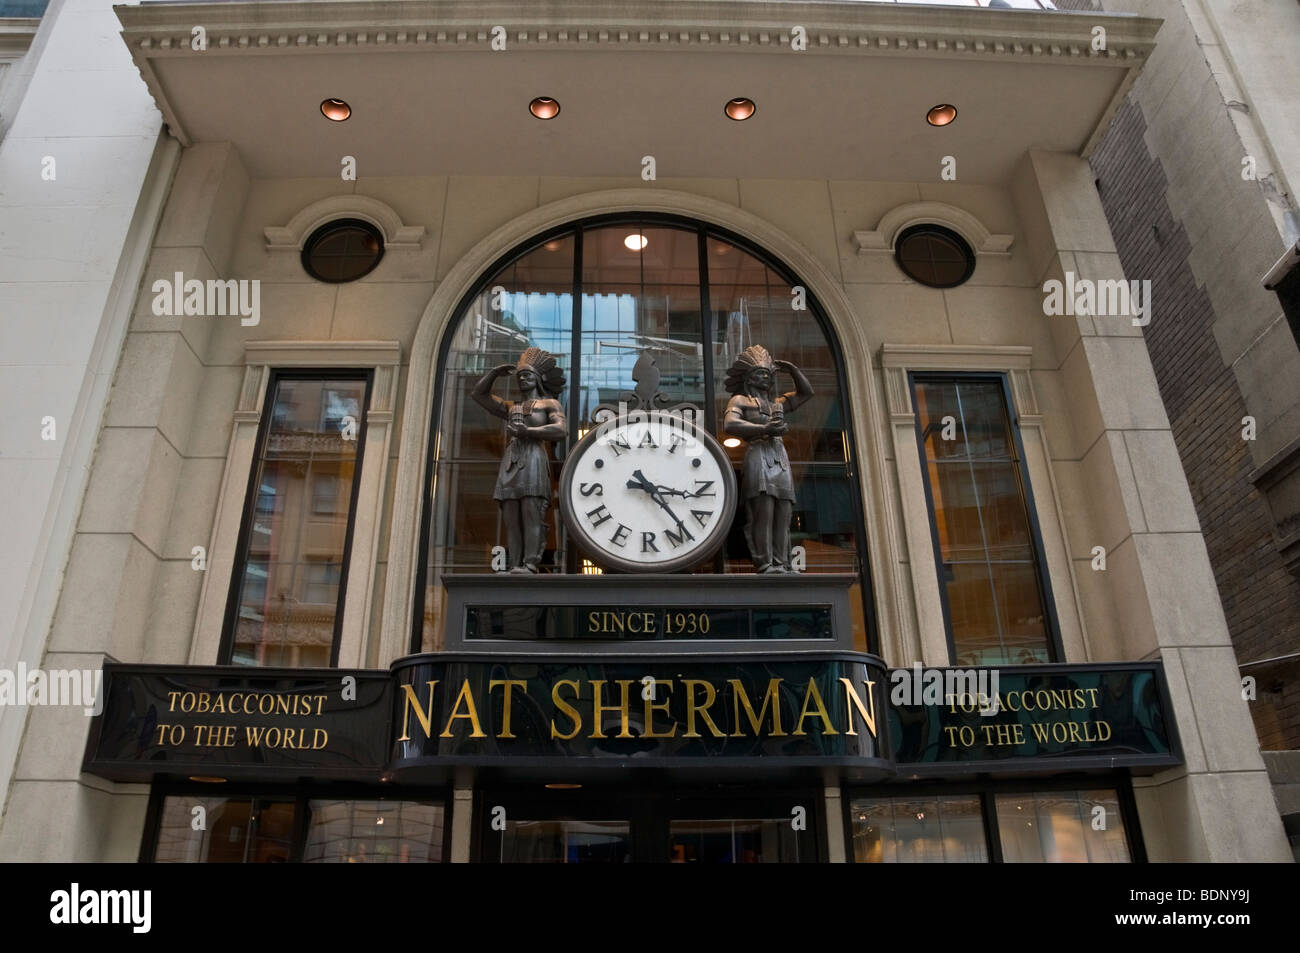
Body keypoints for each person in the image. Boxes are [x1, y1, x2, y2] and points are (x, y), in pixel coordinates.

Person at [472, 347, 567, 573]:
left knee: (530, 512)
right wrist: (494, 373)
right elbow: (479, 395)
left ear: (538, 378)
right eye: (520, 375)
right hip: (512, 460)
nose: (523, 378)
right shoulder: (511, 407)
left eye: (528, 375)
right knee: (511, 517)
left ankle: (530, 563)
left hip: (533, 457)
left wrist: (529, 432)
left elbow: (561, 429)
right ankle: (515, 564)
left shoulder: (549, 404)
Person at [723, 345, 813, 573]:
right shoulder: (740, 400)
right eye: (759, 373)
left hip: (778, 455)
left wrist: (793, 370)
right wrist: (764, 427)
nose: (764, 377)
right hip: (758, 453)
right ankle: (764, 562)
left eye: (767, 374)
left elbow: (806, 393)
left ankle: (781, 562)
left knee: (784, 511)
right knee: (763, 510)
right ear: (749, 378)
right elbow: (730, 424)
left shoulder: (777, 404)